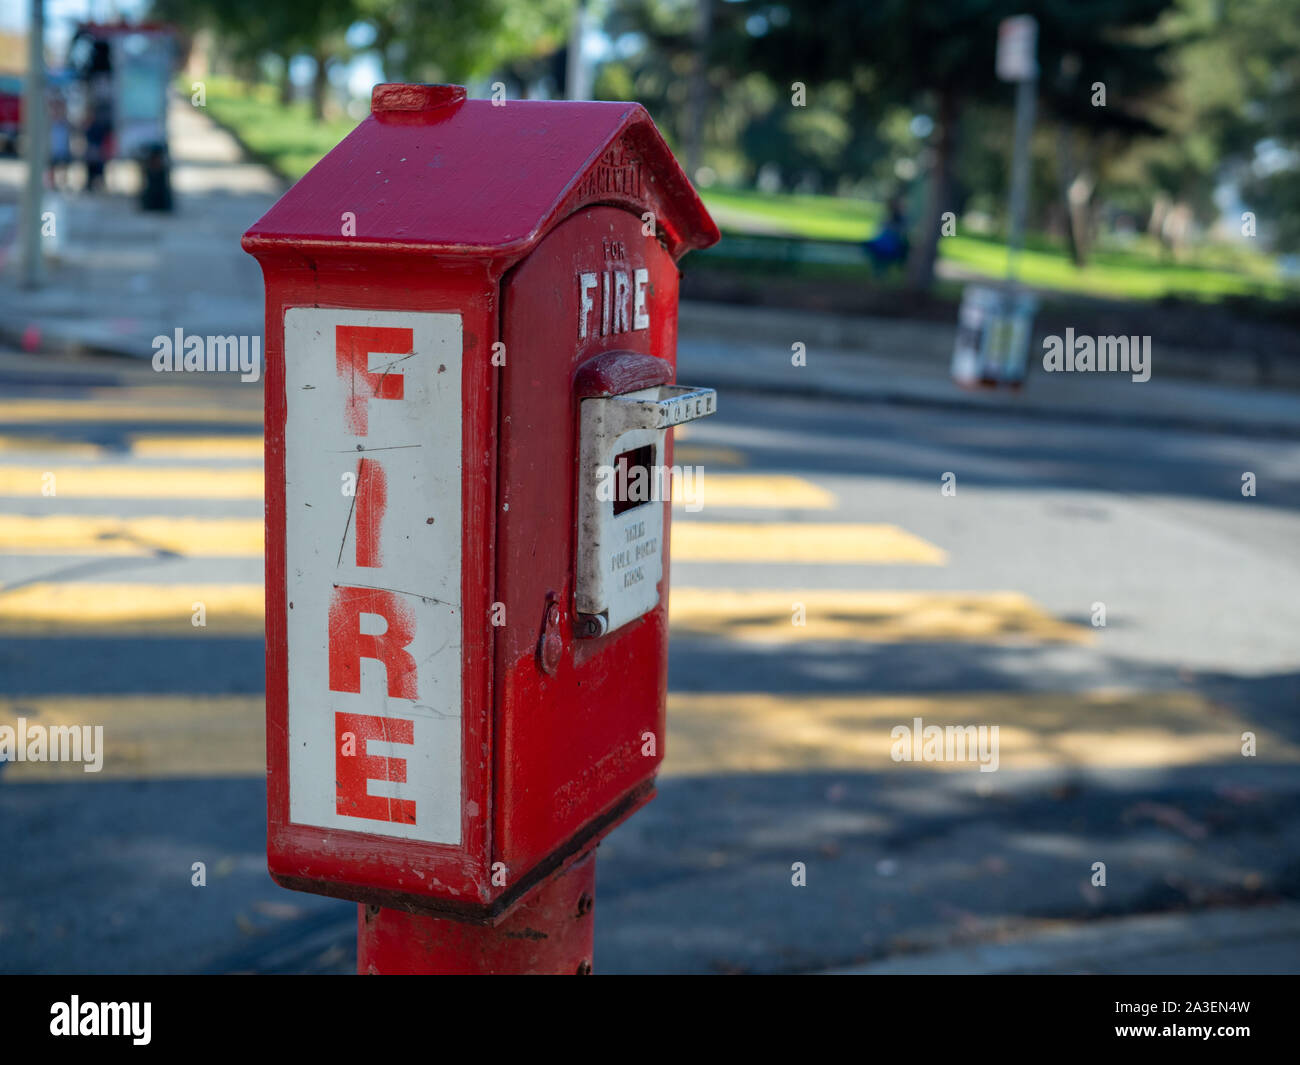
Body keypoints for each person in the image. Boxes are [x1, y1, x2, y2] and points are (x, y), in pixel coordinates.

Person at [863, 196, 909, 273]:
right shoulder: (892, 218)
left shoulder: (896, 219)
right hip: (888, 246)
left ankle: (881, 270)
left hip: (887, 246)